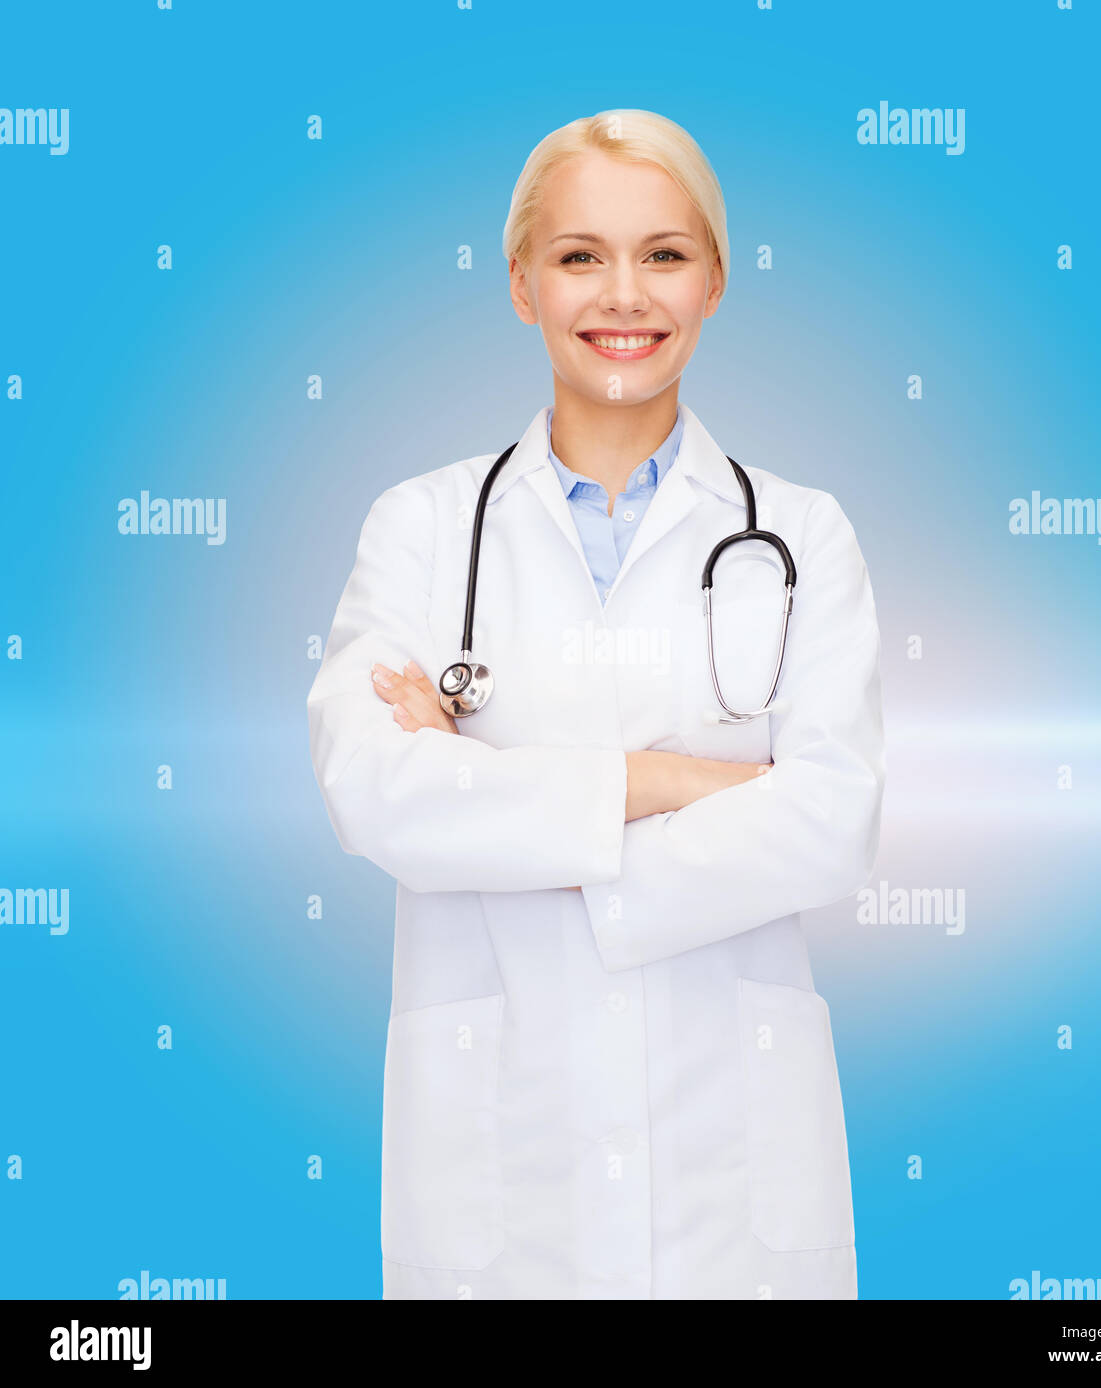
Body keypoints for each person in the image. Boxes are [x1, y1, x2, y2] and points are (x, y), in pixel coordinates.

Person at [306, 109, 885, 1300]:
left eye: (665, 254)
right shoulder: (423, 529)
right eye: (580, 256)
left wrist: (498, 800)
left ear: (717, 279)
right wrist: (669, 783)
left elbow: (830, 826)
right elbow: (376, 794)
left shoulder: (803, 534)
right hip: (502, 1187)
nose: (625, 294)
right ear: (522, 283)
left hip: (736, 1190)